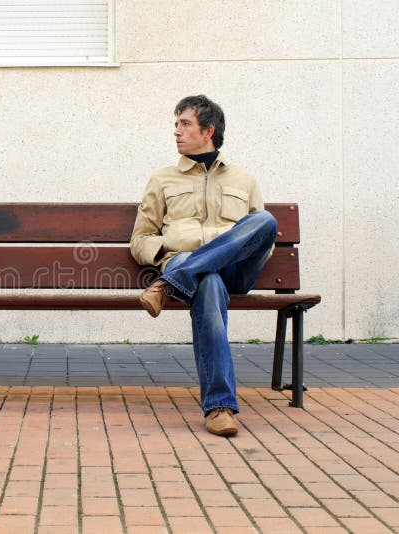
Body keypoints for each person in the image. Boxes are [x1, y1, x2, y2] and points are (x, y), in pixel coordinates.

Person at [130, 95, 277, 437]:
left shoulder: (244, 180)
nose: (176, 132)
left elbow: (258, 238)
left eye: (185, 124)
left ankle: (170, 283)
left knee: (265, 220)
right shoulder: (163, 179)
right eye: (176, 124)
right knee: (206, 281)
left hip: (235, 271)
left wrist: (217, 255)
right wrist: (172, 251)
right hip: (190, 268)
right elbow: (140, 239)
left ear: (208, 131)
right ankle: (219, 408)